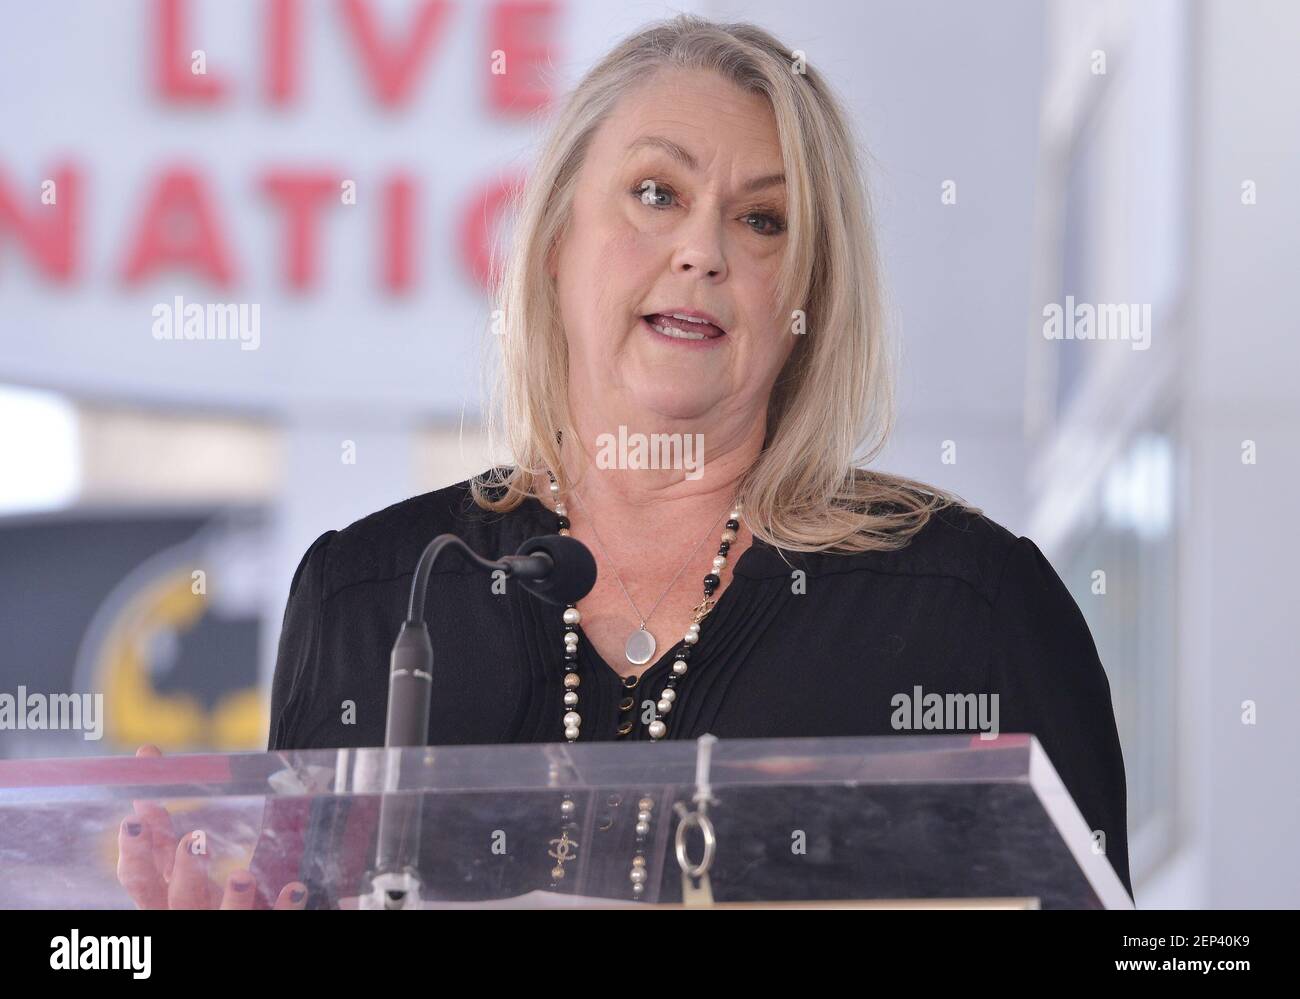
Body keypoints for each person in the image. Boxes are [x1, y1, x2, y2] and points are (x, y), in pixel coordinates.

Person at [123, 14, 1132, 908]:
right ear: (555, 241)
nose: (702, 250)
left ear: (807, 299)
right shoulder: (373, 598)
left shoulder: (971, 609)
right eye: (656, 192)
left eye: (762, 220)